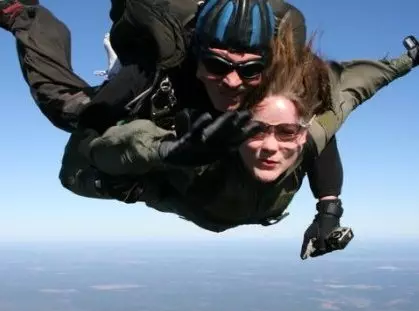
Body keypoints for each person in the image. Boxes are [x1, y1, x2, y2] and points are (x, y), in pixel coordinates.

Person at [1, 0, 346, 258]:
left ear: (264, 64)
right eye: (216, 64)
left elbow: (315, 127)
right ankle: (23, 15)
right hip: (160, 113)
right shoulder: (149, 69)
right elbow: (87, 133)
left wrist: (329, 207)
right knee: (66, 109)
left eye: (248, 70)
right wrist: (118, 179)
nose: (231, 80)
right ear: (197, 55)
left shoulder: (278, 76)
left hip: (211, 159)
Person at [58, 16, 416, 248]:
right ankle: (128, 78)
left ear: (303, 132)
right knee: (86, 157)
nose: (270, 147)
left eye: (287, 132)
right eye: (256, 131)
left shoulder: (311, 134)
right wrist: (166, 153)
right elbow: (104, 156)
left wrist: (329, 211)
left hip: (239, 203)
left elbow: (362, 84)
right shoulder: (201, 155)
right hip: (189, 191)